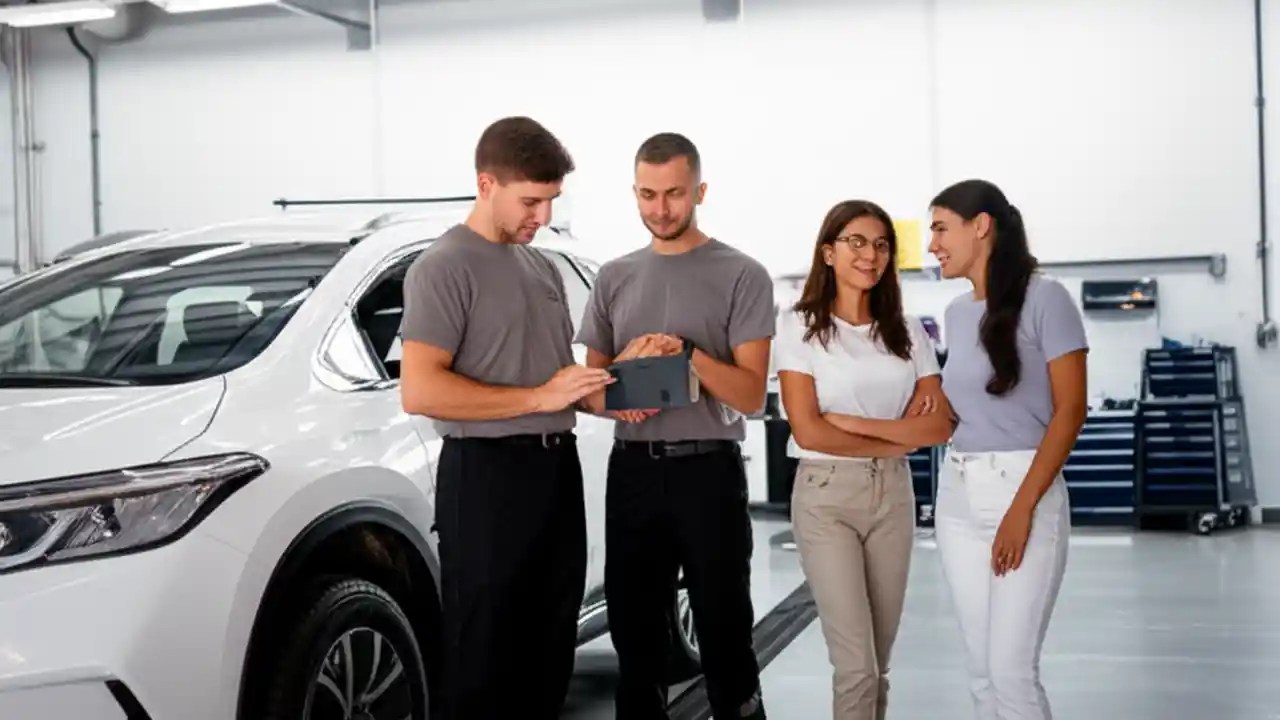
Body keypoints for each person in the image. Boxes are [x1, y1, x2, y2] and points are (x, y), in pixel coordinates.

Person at [398, 116, 615, 720]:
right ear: (485, 183)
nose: (542, 217)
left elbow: (557, 385)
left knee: (549, 649)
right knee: (484, 658)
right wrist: (538, 398)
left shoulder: (541, 268)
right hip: (486, 477)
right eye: (531, 201)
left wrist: (623, 376)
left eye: (550, 201)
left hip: (554, 474)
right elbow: (419, 389)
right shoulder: (443, 267)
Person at [576, 132, 774, 720]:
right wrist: (620, 388)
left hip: (708, 469)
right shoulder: (613, 277)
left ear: (700, 191)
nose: (660, 209)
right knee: (636, 639)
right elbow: (592, 394)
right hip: (633, 470)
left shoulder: (742, 274)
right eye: (647, 194)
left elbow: (750, 395)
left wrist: (685, 350)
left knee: (724, 633)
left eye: (674, 194)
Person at [774, 199, 952, 720]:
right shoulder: (800, 327)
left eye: (880, 245)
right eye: (856, 242)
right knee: (856, 665)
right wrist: (899, 437)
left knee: (880, 662)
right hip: (827, 497)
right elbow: (807, 429)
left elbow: (939, 426)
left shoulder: (906, 332)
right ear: (828, 252)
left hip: (893, 494)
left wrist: (854, 425)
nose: (870, 255)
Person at [925, 178, 1088, 720]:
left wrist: (1021, 510)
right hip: (957, 491)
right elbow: (950, 417)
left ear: (982, 226)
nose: (932, 244)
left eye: (941, 228)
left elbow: (1071, 412)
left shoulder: (1047, 298)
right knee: (980, 674)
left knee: (1012, 674)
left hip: (1024, 487)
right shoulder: (955, 313)